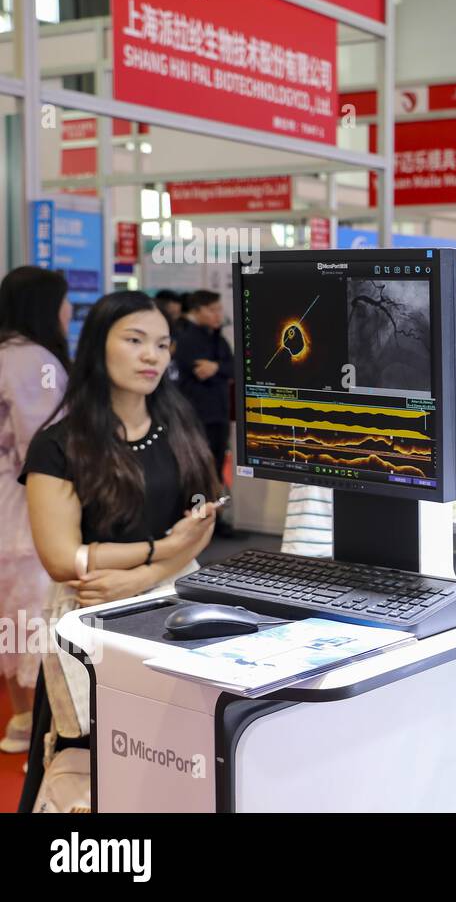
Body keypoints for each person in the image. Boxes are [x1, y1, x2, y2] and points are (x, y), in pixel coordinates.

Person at [19, 291, 222, 808]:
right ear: (98, 347)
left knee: (177, 751)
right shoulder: (61, 443)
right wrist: (159, 549)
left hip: (174, 611)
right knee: (93, 754)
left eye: (161, 344)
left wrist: (141, 575)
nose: (152, 356)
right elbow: (63, 559)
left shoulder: (180, 429)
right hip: (87, 618)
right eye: (134, 341)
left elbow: (199, 526)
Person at [0, 267, 71, 755]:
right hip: (25, 506)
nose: (70, 313)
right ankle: (40, 725)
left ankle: (21, 719)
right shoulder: (36, 361)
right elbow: (41, 448)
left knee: (10, 617)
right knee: (34, 613)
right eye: (66, 303)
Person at [172, 289, 239, 537]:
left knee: (217, 467)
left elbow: (234, 367)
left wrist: (217, 367)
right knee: (197, 472)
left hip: (218, 414)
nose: (218, 315)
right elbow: (196, 370)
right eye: (212, 310)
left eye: (219, 309)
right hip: (195, 416)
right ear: (196, 311)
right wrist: (218, 369)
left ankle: (213, 519)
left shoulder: (218, 339)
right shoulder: (185, 338)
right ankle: (197, 520)